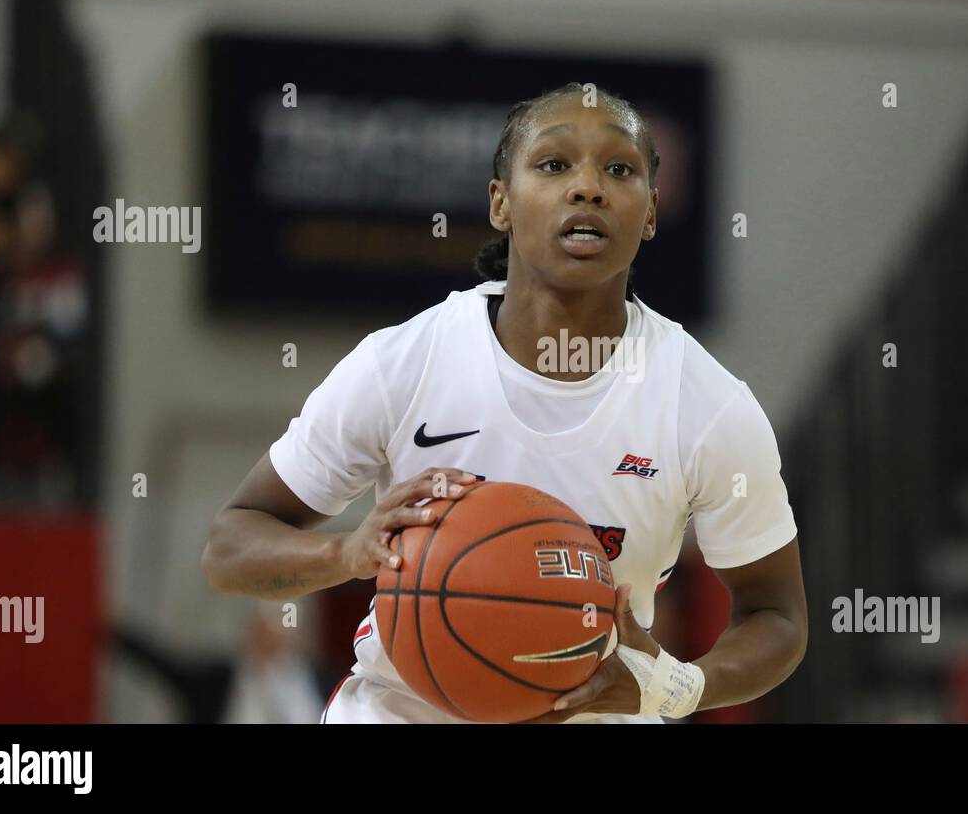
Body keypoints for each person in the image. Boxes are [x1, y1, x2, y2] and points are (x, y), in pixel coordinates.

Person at [202, 82, 808, 723]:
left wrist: (677, 686)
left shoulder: (707, 404)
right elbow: (230, 546)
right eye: (553, 164)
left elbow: (778, 616)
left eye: (620, 169)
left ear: (651, 212)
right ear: (501, 203)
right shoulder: (403, 363)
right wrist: (345, 553)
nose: (588, 188)